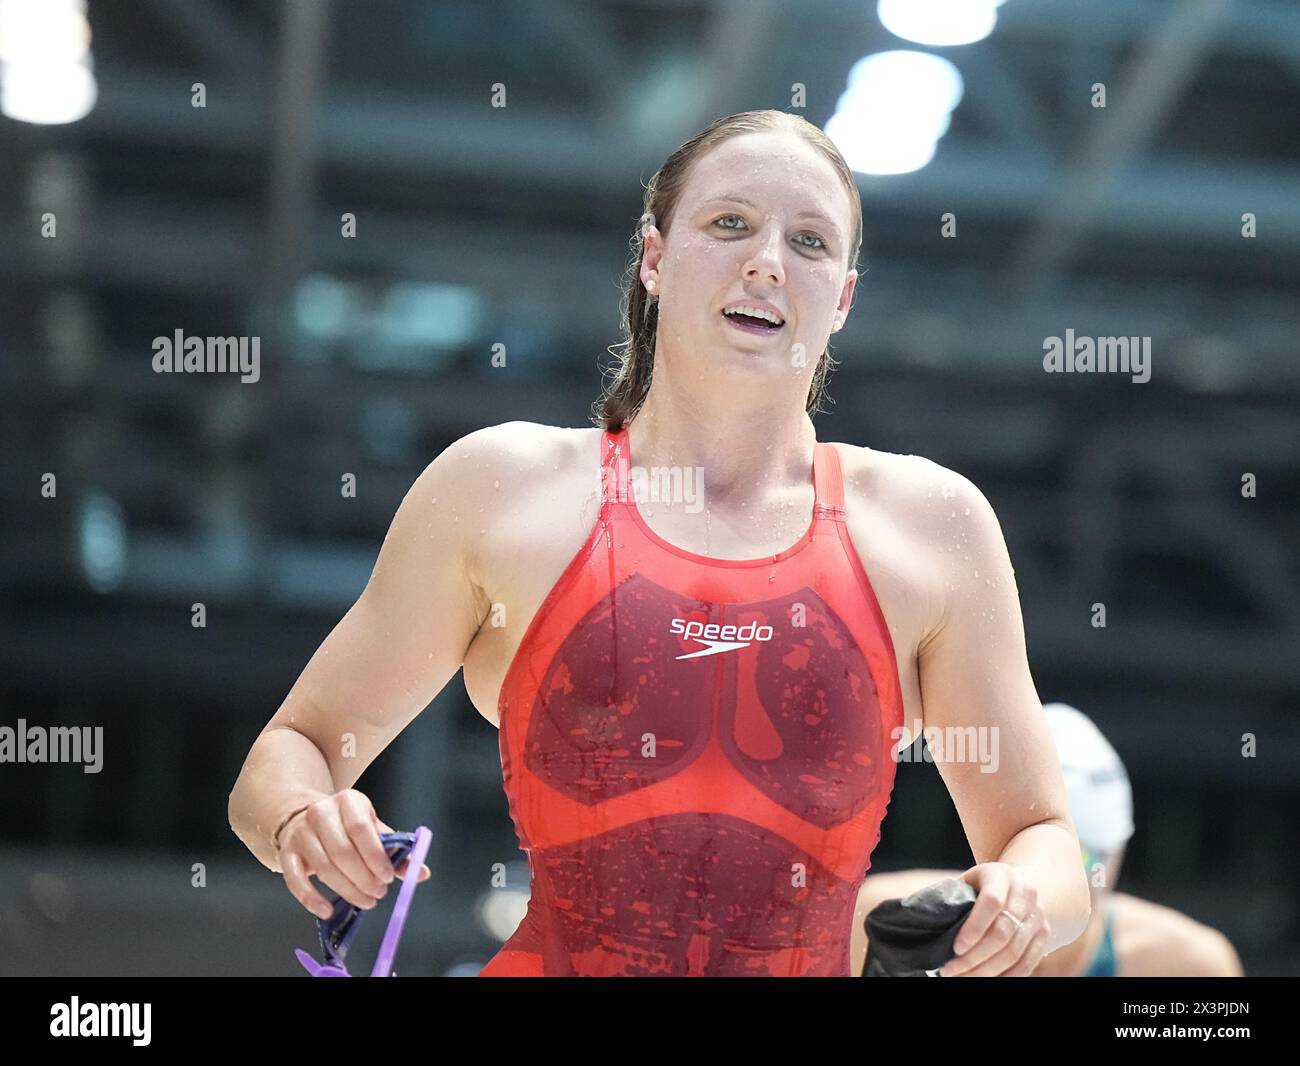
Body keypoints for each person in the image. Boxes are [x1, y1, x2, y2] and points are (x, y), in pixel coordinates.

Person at [228, 109, 1090, 976]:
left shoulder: (934, 529)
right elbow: (291, 750)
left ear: (844, 301)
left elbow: (1044, 844)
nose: (766, 262)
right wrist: (306, 820)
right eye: (729, 224)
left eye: (811, 243)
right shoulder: (500, 492)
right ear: (653, 258)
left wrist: (1017, 902)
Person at [851, 703, 1245, 977]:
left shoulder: (1183, 964)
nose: (1048, 889)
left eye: (1083, 862)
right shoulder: (883, 924)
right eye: (1034, 860)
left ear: (1118, 854)